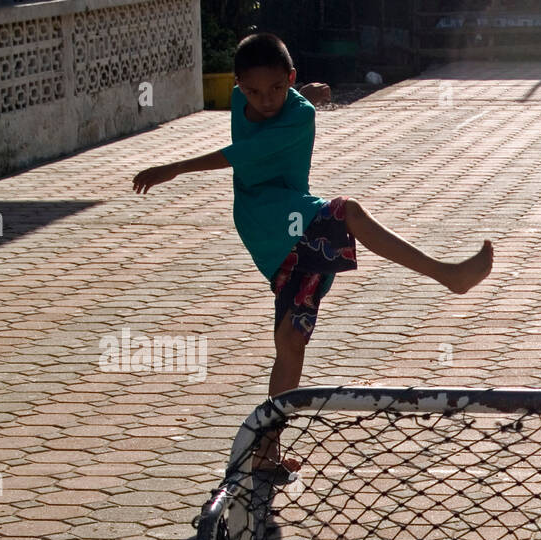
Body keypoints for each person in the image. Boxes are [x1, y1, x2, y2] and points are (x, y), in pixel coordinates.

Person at [131, 32, 493, 471]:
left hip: (293, 224)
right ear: (237, 86)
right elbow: (259, 124)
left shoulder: (300, 118)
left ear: (291, 77)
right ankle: (446, 275)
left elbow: (241, 152)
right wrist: (298, 92)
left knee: (290, 341)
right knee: (347, 217)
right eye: (254, 92)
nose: (264, 100)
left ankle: (265, 451)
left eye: (277, 89)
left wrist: (174, 167)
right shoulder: (254, 98)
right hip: (264, 225)